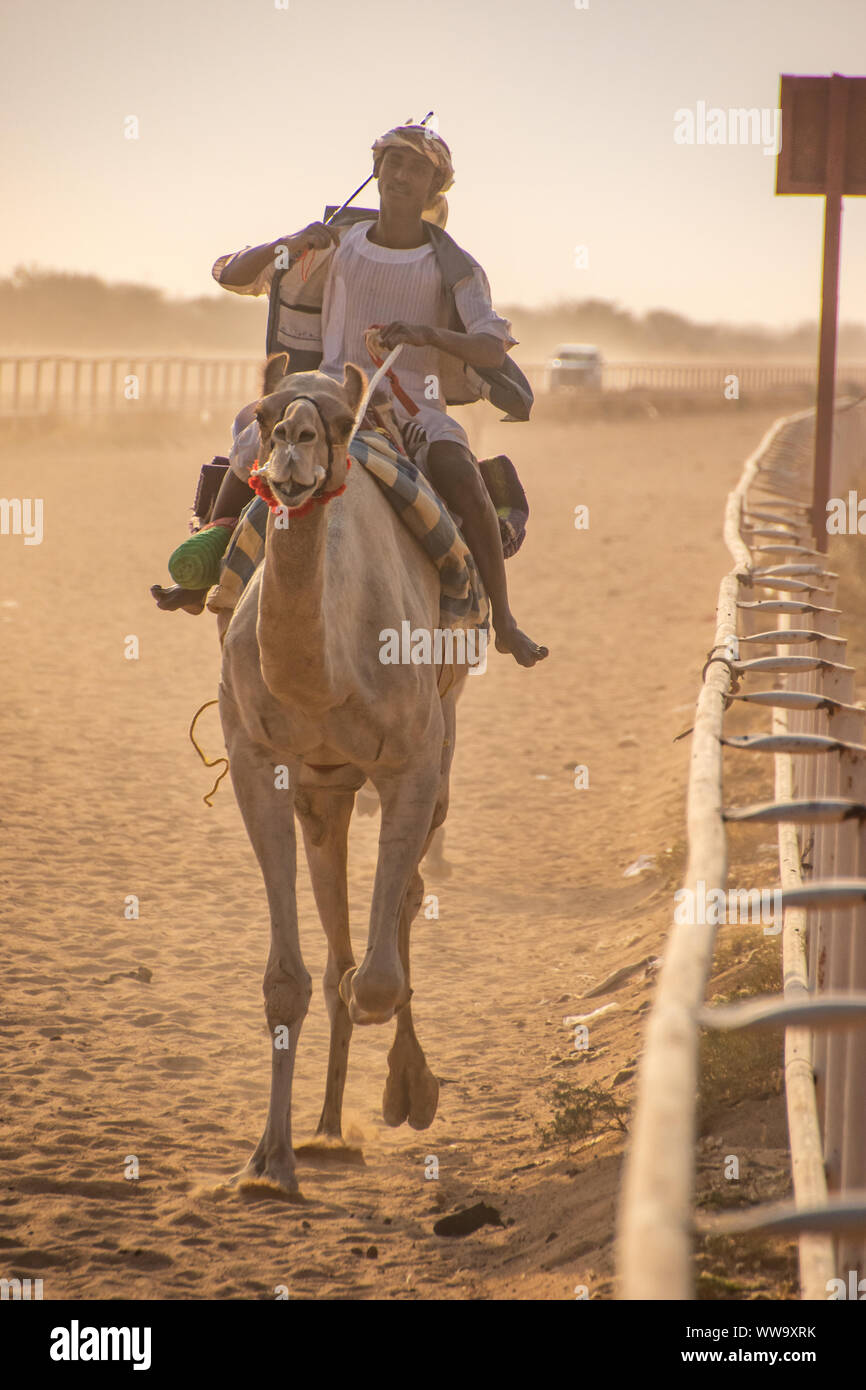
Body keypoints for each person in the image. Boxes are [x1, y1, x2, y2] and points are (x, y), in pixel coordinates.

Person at [153, 124, 547, 668]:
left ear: (436, 187)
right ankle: (209, 569)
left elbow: (490, 344)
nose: (401, 176)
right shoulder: (337, 244)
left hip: (415, 404)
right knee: (256, 435)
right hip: (332, 394)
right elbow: (234, 275)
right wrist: (289, 244)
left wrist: (429, 334)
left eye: (417, 169)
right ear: (376, 170)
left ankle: (503, 619)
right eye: (393, 163)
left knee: (458, 468)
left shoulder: (455, 267)